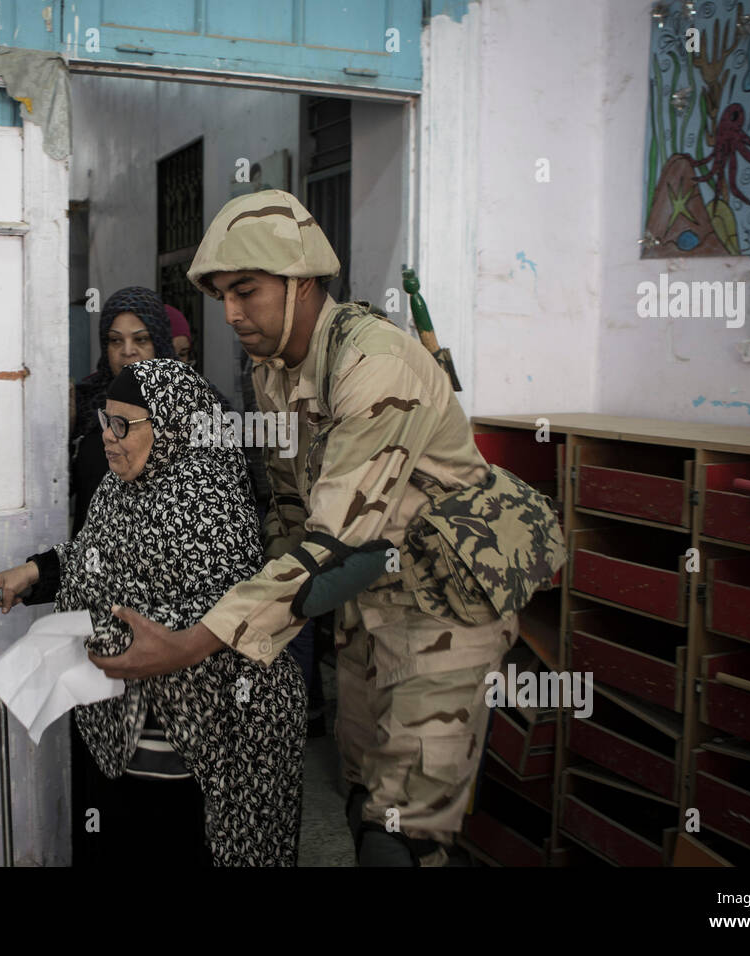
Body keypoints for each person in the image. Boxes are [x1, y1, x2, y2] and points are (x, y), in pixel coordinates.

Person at [90, 190, 564, 867]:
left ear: (302, 283)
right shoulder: (274, 369)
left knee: (398, 838)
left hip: (447, 614)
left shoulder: (376, 368)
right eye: (222, 295)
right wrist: (236, 617)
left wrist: (196, 642)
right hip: (367, 602)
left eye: (246, 292)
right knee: (362, 797)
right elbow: (290, 508)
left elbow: (335, 542)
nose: (229, 314)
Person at [0, 359, 306, 866]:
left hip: (205, 746)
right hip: (132, 731)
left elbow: (208, 619)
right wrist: (36, 573)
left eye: (124, 425)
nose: (109, 438)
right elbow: (98, 558)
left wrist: (93, 625)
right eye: (104, 422)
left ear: (174, 422)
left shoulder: (209, 498)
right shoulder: (119, 488)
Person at [70, 287, 175, 536]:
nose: (127, 350)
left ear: (158, 342)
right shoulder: (86, 403)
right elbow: (60, 489)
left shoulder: (191, 404)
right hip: (89, 560)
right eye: (115, 340)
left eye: (141, 339)